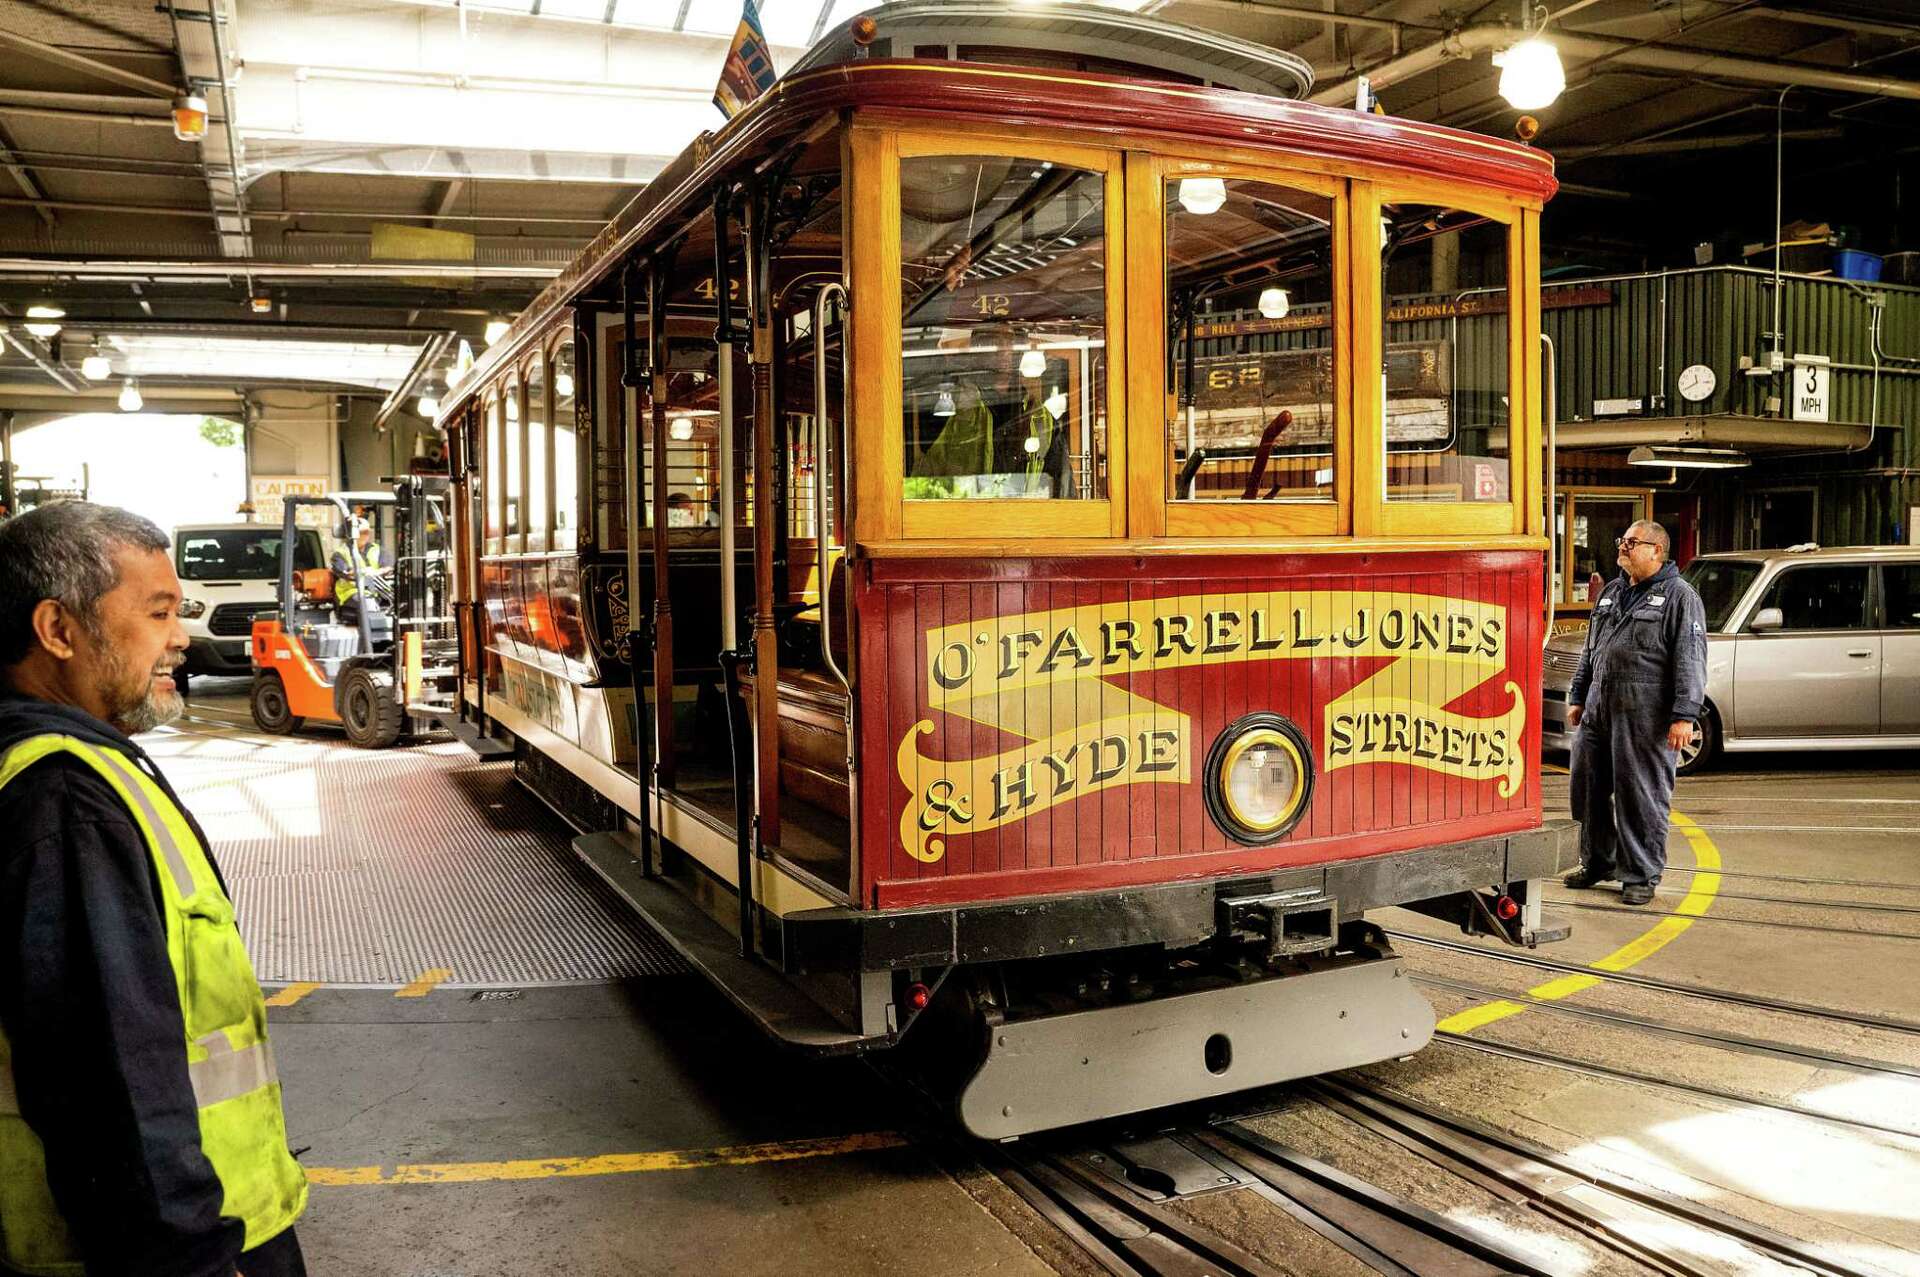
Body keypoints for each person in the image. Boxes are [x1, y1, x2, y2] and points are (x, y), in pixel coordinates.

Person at [0, 502, 308, 1275]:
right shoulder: (67, 803)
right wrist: (194, 1257)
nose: (179, 635)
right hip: (186, 1245)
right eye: (159, 611)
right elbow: (114, 1081)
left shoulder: (70, 768)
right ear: (58, 630)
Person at [1565, 519, 1707, 906]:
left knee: (1639, 795)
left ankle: (1641, 874)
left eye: (1632, 542)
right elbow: (1591, 650)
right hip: (1599, 708)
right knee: (1586, 789)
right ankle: (1598, 862)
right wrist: (1579, 694)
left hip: (1646, 713)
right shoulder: (1611, 591)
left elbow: (1690, 659)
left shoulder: (1681, 597)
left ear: (1656, 550)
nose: (1623, 547)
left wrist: (1684, 715)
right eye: (1623, 540)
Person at [331, 514, 387, 625]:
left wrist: (376, 572)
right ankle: (377, 640)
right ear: (353, 534)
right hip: (351, 593)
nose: (366, 536)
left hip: (377, 591)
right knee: (368, 603)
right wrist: (363, 572)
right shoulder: (340, 553)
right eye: (362, 533)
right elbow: (347, 573)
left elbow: (389, 567)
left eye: (367, 532)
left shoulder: (377, 549)